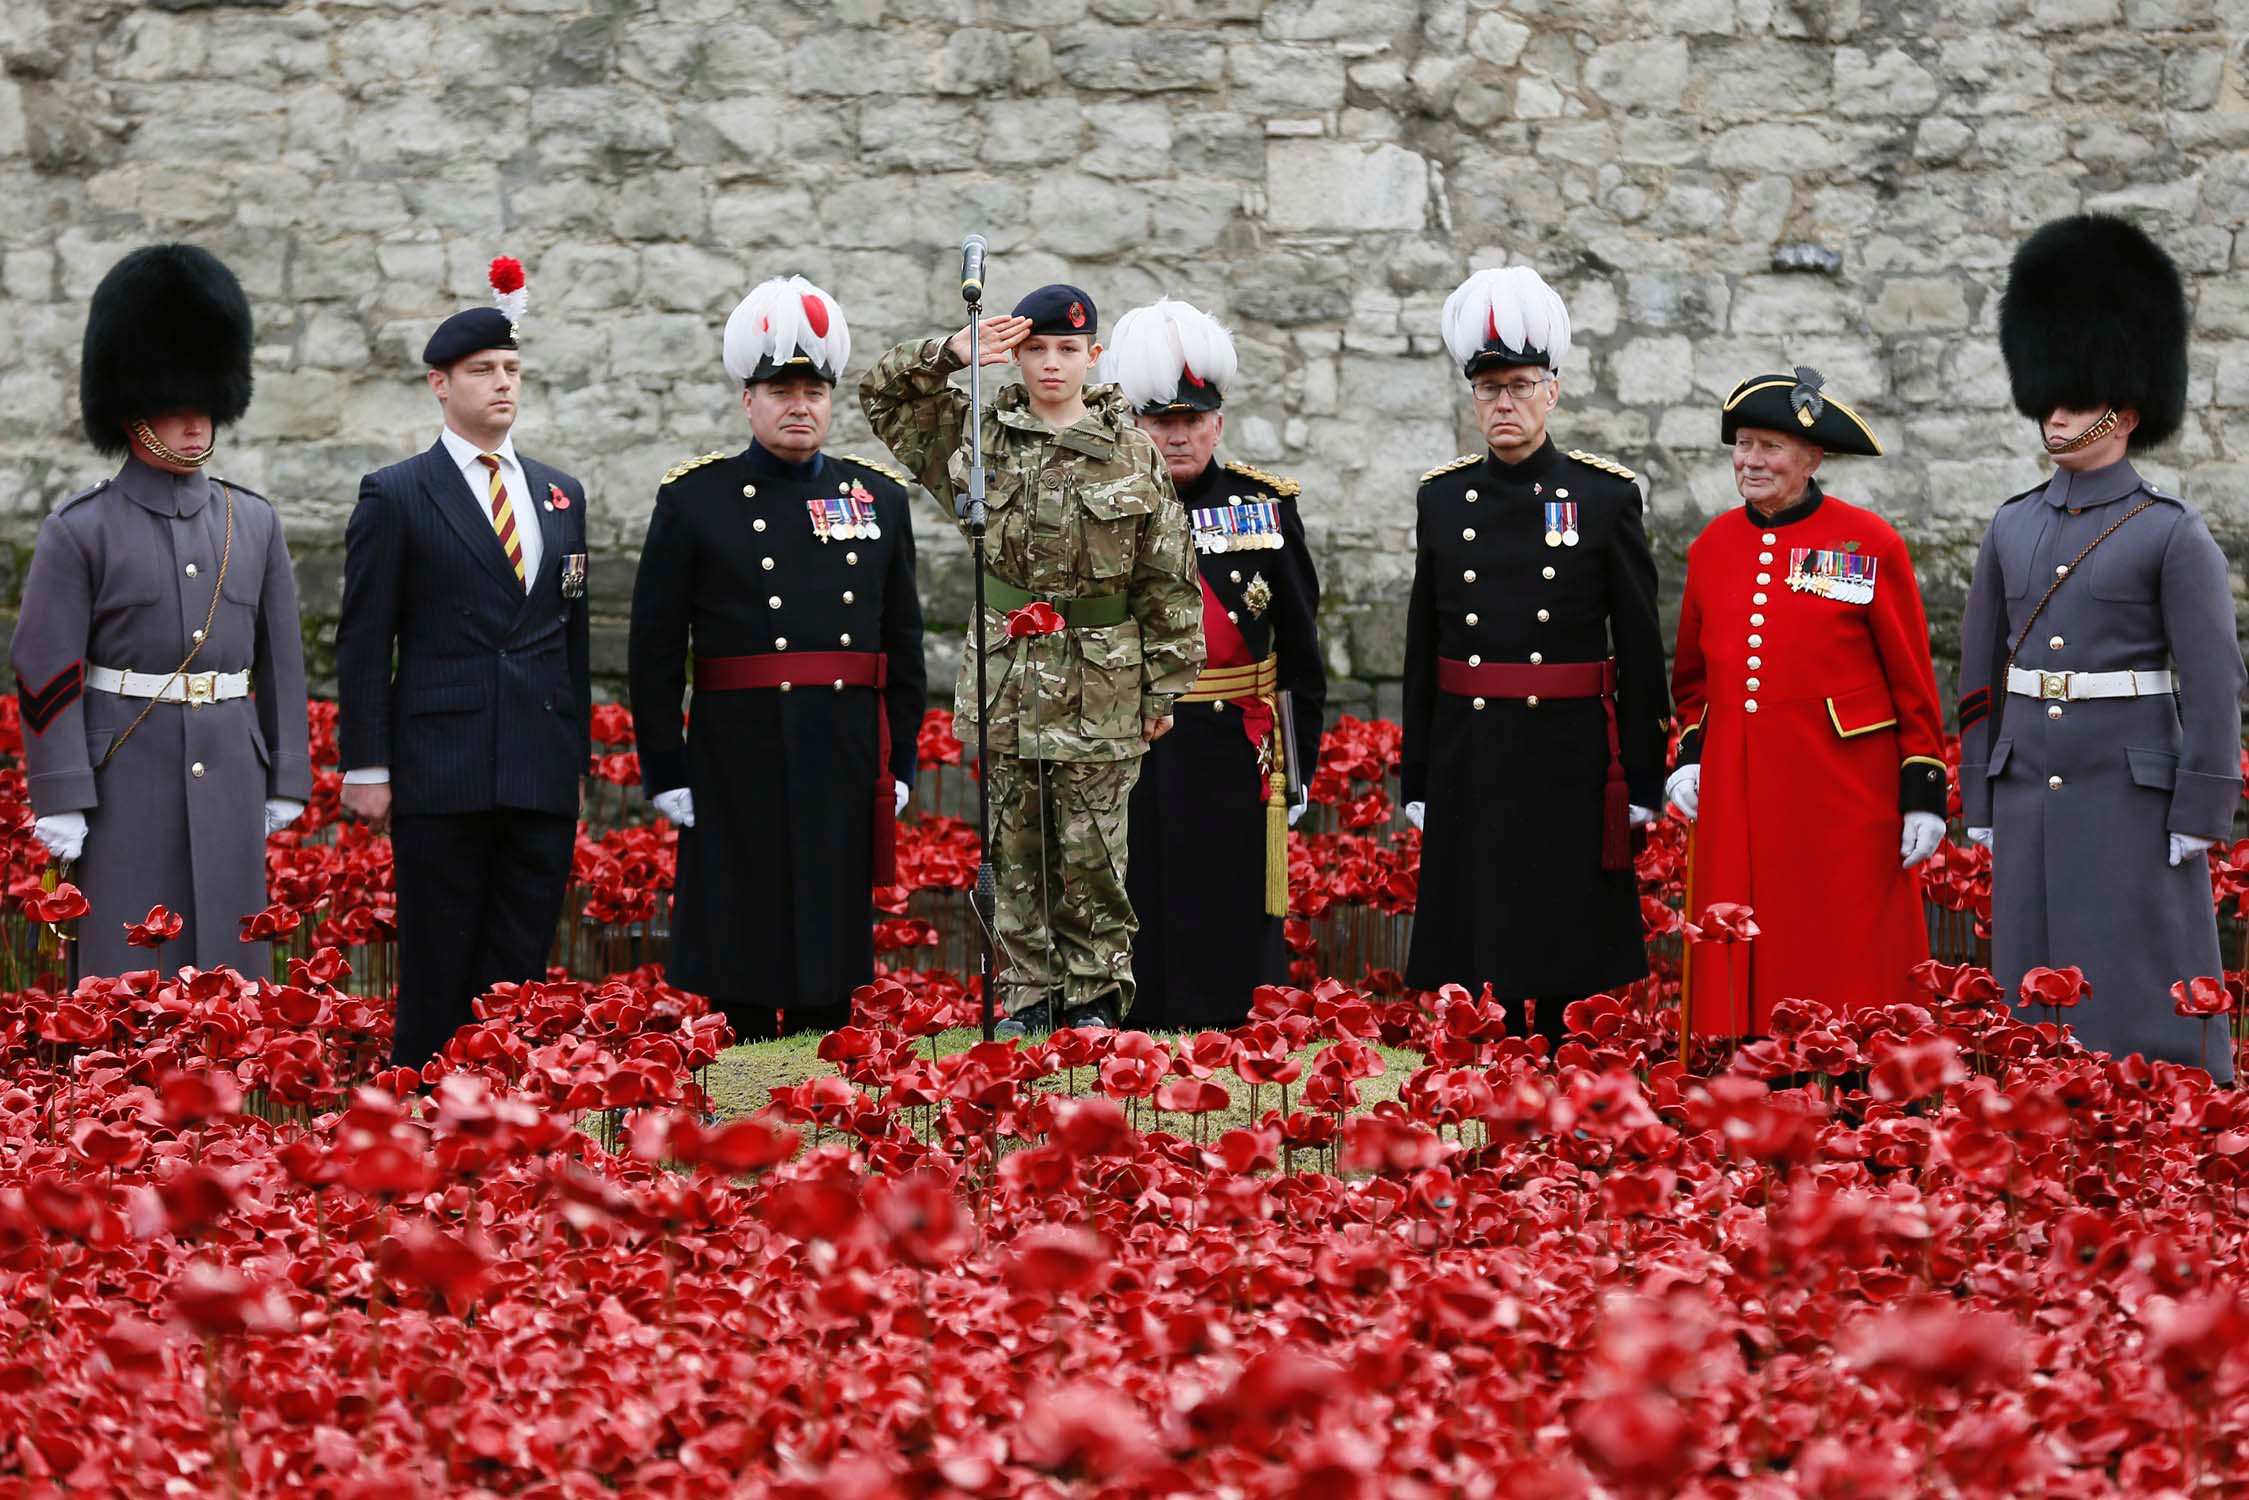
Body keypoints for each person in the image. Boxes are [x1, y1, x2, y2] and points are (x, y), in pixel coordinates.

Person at [861, 284, 1204, 1036]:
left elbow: (1168, 578)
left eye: (1066, 350)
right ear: (1014, 354)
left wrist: (1163, 690)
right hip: (1009, 676)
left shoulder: (1132, 449)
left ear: (1093, 357)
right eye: (1036, 349)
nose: (1051, 364)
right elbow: (880, 398)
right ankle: (1026, 996)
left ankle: (1093, 998)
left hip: (1102, 682)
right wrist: (949, 354)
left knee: (1091, 852)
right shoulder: (975, 437)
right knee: (1014, 848)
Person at [1959, 214, 2244, 1082]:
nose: (2055, 415)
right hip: (2027, 780)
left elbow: (2211, 686)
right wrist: (1979, 787)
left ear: (2119, 412)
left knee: (2135, 961)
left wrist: (2200, 809)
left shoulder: (2169, 532)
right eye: (2049, 397)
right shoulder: (2011, 524)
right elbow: (1980, 677)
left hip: (2130, 784)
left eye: (2074, 401)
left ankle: (2156, 1097)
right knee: (2031, 962)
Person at [628, 275, 925, 1040]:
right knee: (744, 930)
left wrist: (904, 762)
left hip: (842, 746)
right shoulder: (696, 500)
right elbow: (656, 650)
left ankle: (827, 1071)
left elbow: (904, 645)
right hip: (739, 748)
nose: (801, 405)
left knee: (831, 928)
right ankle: (748, 1067)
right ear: (747, 401)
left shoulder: (878, 499)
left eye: (815, 390)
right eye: (781, 389)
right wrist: (665, 767)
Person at [11, 243, 309, 980]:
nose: (193, 426)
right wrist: (62, 793)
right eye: (175, 409)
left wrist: (287, 776)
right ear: (134, 409)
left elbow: (282, 664)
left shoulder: (254, 522)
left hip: (234, 772)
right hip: (125, 779)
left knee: (234, 979)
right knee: (127, 969)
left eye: (203, 407)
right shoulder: (80, 529)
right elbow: (46, 668)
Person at [1400, 266, 1668, 1051]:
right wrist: (1416, 774)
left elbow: (1641, 647)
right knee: (1481, 918)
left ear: (1552, 391)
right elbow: (1424, 644)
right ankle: (1488, 1058)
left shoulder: (1604, 496)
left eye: (1520, 386)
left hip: (1568, 748)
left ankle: (1561, 1044)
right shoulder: (1442, 497)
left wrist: (1644, 776)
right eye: (1488, 390)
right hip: (1470, 742)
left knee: (1560, 918)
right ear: (1472, 398)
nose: (1504, 404)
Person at [335, 258, 592, 1070]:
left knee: (521, 959)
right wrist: (365, 764)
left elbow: (571, 638)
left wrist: (574, 755)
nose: (502, 385)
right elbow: (365, 639)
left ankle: (508, 1112)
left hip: (537, 760)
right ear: (439, 386)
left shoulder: (559, 494)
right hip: (441, 764)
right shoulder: (399, 493)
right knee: (441, 958)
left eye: (512, 370)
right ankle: (422, 1105)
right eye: (482, 371)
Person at [1665, 369, 1948, 1043]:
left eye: (1769, 446)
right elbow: (1692, 679)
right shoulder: (1711, 547)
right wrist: (1690, 756)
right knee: (1742, 925)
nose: (1750, 461)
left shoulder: (1867, 542)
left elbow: (1911, 679)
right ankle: (1745, 1057)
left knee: (1841, 930)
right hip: (1738, 780)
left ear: (1812, 458)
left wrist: (1921, 790)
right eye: (1741, 445)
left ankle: (1856, 1068)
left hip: (1844, 782)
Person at [1100, 298, 1325, 1031]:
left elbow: (1299, 654)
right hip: (1132, 746)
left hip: (1236, 749)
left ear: (1216, 424)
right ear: (1134, 425)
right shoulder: (1100, 508)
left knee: (1227, 913)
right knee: (1138, 902)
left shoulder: (1264, 507)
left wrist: (1298, 766)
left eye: (1191, 420)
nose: (1177, 434)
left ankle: (1232, 1039)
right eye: (1160, 421)